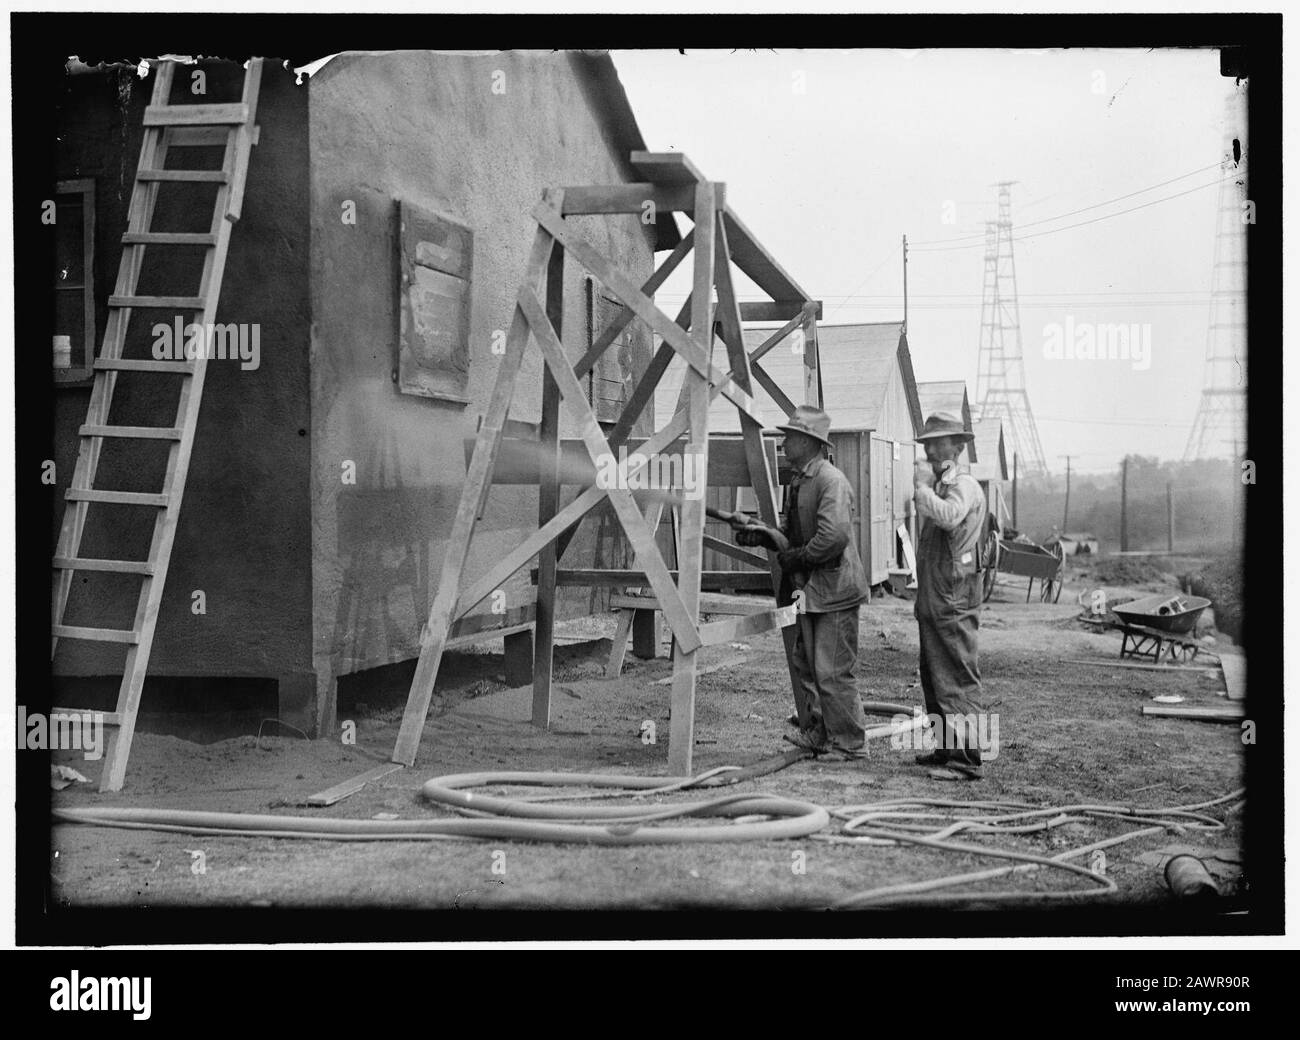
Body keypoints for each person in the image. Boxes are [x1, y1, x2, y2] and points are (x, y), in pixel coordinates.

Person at [734, 405, 871, 759]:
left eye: (790, 437)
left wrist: (797, 557)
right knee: (809, 665)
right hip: (813, 591)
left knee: (833, 670)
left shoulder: (830, 481)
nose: (783, 443)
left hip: (835, 591)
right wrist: (764, 536)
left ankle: (849, 744)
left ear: (810, 443)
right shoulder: (801, 482)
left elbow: (833, 537)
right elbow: (793, 536)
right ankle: (822, 734)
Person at [911, 412, 990, 781]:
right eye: (927, 443)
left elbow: (949, 517)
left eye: (937, 442)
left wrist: (922, 490)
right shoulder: (943, 485)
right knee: (935, 674)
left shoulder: (964, 486)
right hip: (937, 596)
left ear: (958, 447)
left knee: (957, 674)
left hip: (953, 597)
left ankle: (967, 758)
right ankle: (947, 749)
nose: (929, 449)